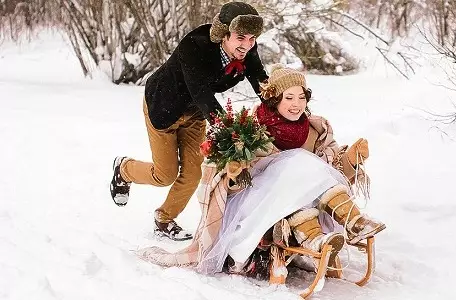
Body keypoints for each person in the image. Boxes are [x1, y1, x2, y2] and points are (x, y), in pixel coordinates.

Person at [136, 66, 386, 277]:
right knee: (299, 161)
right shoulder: (251, 130)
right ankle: (314, 239)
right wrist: (234, 172)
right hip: (257, 202)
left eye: (301, 97)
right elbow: (222, 182)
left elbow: (333, 171)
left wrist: (351, 160)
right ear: (275, 98)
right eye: (289, 98)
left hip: (302, 199)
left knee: (307, 168)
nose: (296, 104)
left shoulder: (315, 130)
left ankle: (350, 224)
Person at [109, 1, 269, 241]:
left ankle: (164, 220)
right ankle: (124, 170)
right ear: (223, 34)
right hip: (164, 107)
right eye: (241, 37)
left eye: (252, 38)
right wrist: (228, 131)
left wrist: (282, 105)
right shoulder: (194, 46)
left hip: (195, 113)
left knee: (194, 173)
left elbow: (260, 79)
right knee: (165, 175)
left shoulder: (246, 50)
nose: (247, 45)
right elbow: (201, 91)